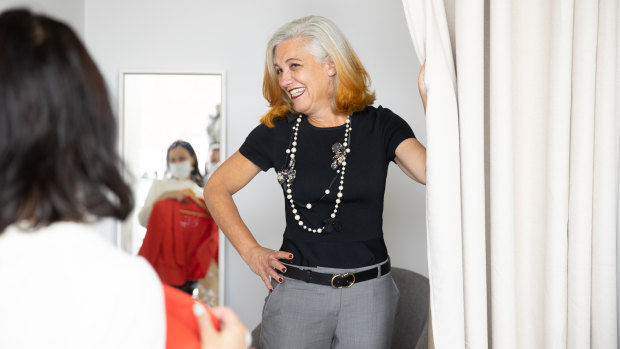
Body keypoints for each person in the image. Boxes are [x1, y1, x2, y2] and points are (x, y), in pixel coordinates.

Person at [0, 8, 248, 349]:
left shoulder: (201, 190)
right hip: (164, 267)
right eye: (172, 158)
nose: (178, 163)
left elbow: (210, 233)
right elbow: (146, 219)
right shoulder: (120, 284)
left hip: (191, 269)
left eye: (183, 158)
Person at [205, 15, 427, 348]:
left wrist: (431, 99)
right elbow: (215, 187)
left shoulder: (381, 125)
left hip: (369, 296)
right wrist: (251, 253)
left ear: (331, 65)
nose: (284, 79)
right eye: (279, 70)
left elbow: (433, 173)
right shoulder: (277, 131)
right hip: (297, 296)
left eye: (294, 65)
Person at [137, 140, 205, 227]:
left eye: (181, 158)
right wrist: (165, 196)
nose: (177, 163)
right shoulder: (158, 186)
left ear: (193, 160)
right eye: (172, 160)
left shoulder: (200, 194)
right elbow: (143, 220)